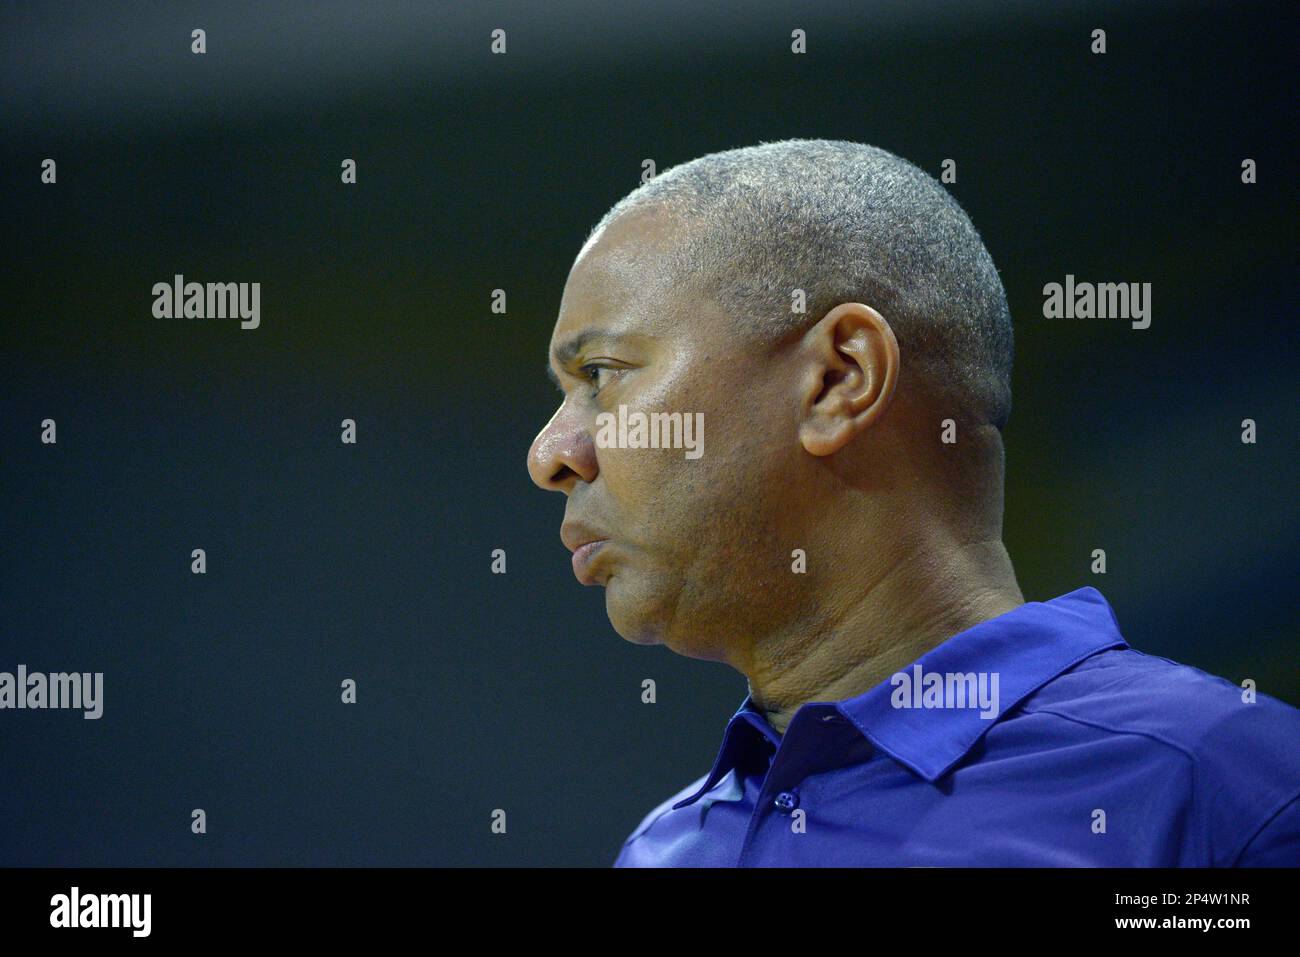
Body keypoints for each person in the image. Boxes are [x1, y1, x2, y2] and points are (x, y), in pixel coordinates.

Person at [526, 140, 1300, 866]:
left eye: (601, 373)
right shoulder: (669, 849)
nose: (550, 454)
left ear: (838, 378)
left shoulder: (1234, 790)